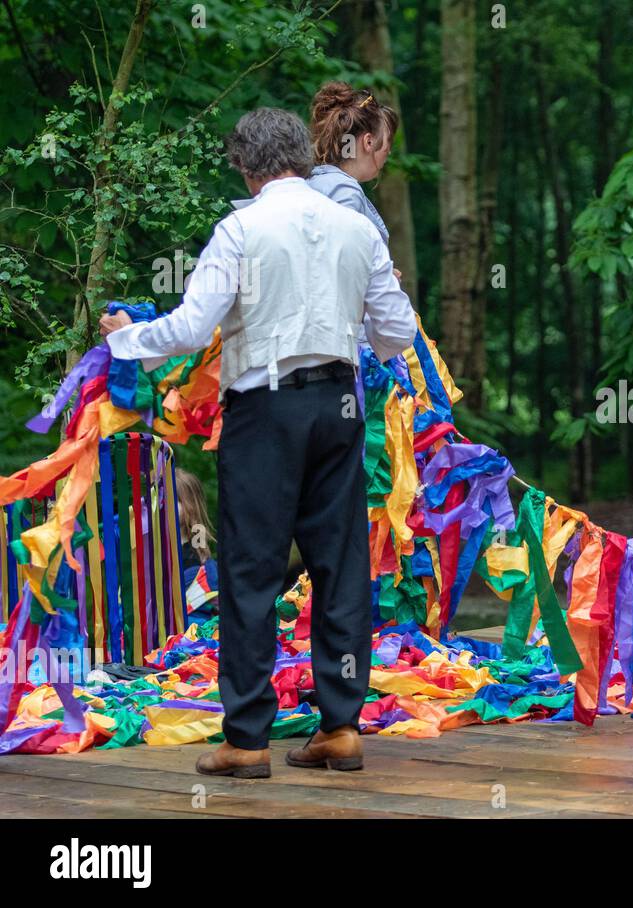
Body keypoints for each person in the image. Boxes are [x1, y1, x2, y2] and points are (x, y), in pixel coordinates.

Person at [99, 107, 417, 779]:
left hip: (266, 407)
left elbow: (190, 328)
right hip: (340, 403)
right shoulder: (357, 228)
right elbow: (396, 332)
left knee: (252, 571)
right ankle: (341, 728)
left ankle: (246, 739)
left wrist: (126, 337)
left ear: (247, 166)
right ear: (302, 156)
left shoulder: (240, 228)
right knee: (339, 564)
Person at [305, 82, 400, 278]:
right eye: (387, 142)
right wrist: (381, 280)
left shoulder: (314, 182)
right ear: (368, 142)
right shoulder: (344, 192)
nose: (388, 152)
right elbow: (338, 267)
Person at [175, 467, 220, 620]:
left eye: (176, 500)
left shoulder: (197, 547)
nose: (165, 505)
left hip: (193, 627)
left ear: (191, 505)